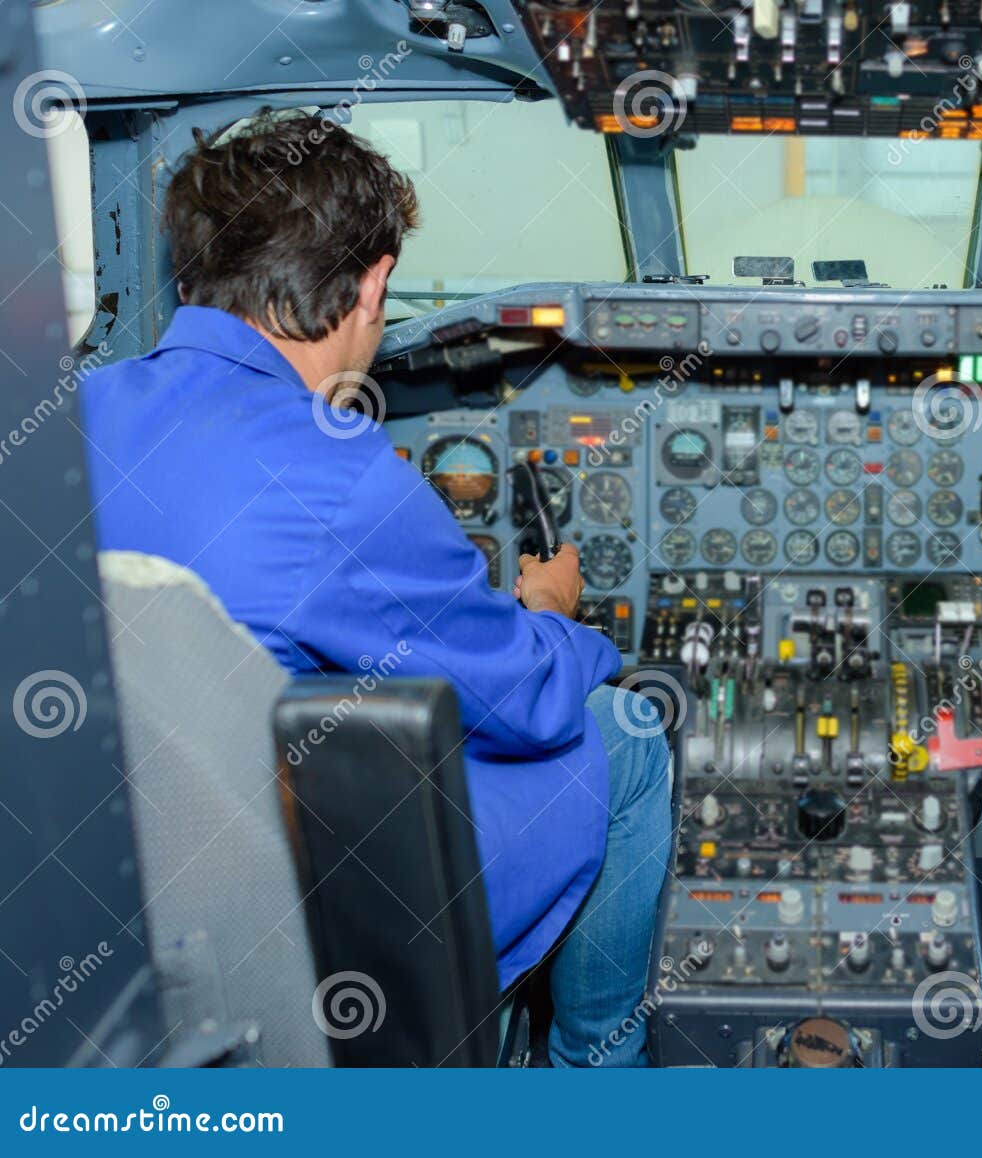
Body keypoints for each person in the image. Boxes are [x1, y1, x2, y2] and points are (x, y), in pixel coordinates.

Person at [79, 114, 670, 1067]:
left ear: (189, 277)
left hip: (113, 867)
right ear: (373, 281)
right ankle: (599, 1066)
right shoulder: (341, 475)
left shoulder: (66, 416)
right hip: (286, 892)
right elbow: (526, 704)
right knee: (628, 734)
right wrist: (553, 615)